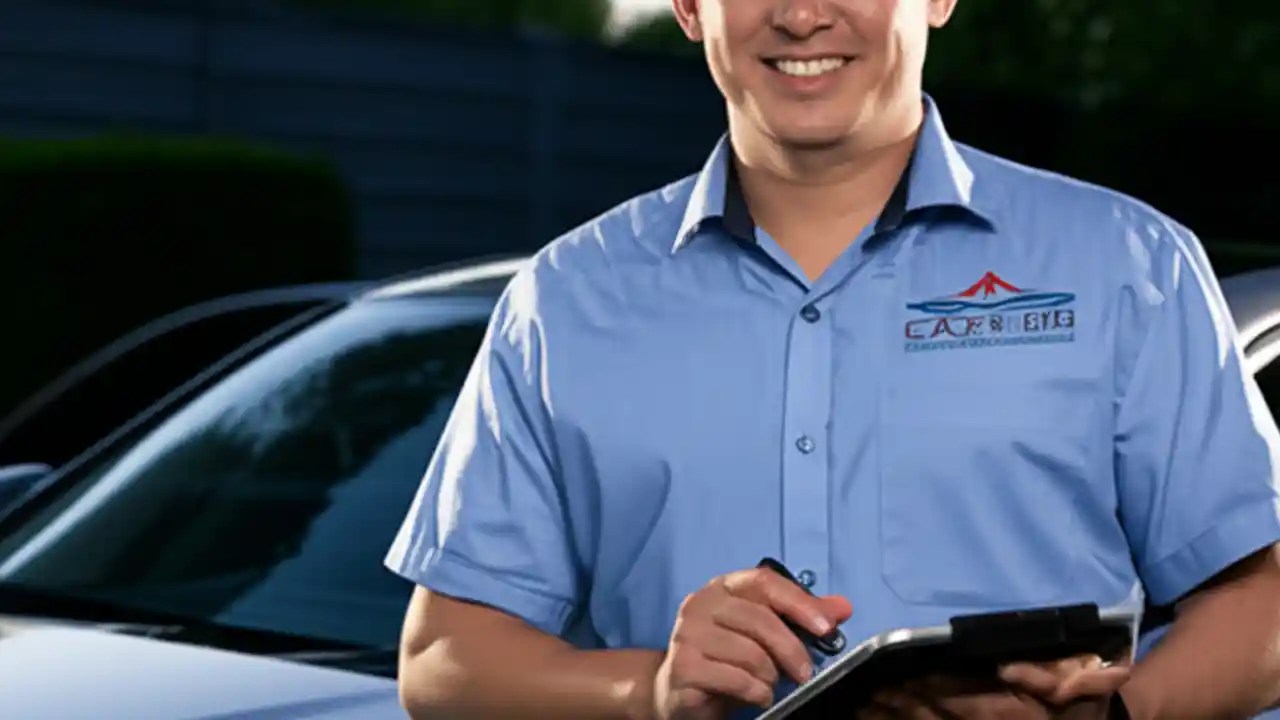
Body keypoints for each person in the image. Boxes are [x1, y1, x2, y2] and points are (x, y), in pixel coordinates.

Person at [383, 1, 1280, 718]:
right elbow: (442, 660)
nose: (803, 16)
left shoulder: (1130, 263)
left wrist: (1128, 712)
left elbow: (1262, 600)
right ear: (690, 8)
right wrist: (649, 690)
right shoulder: (564, 301)